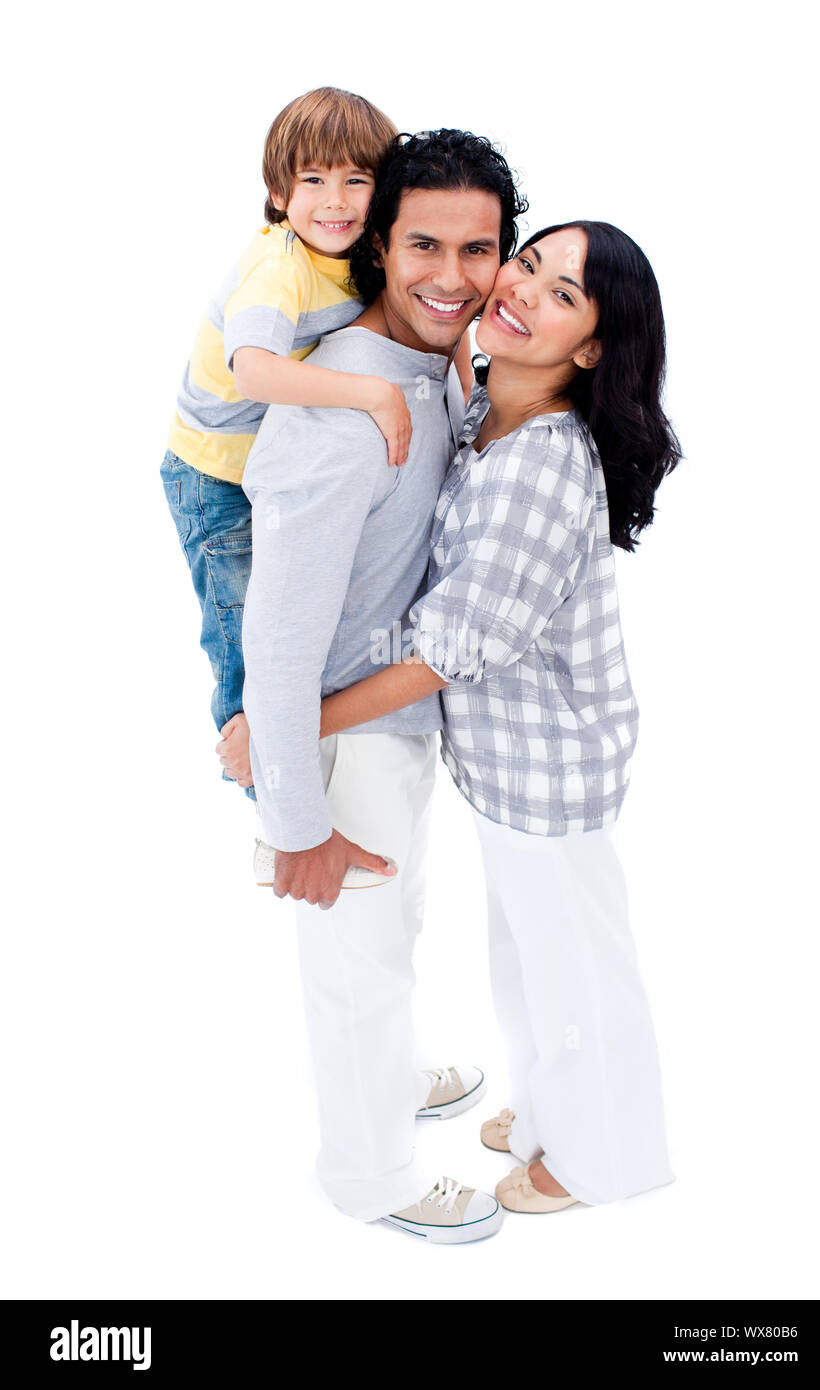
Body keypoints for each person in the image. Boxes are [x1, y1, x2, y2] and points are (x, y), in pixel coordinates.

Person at [313, 221, 682, 1215]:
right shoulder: (489, 408)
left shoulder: (540, 465)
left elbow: (448, 647)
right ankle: (545, 1113)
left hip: (550, 765)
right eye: (526, 263)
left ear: (592, 346)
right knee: (523, 954)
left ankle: (602, 1157)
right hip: (509, 762)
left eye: (561, 294)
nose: (519, 290)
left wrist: (307, 715)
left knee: (573, 971)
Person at [239, 131, 528, 1243]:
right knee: (353, 956)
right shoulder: (343, 407)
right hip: (337, 733)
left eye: (477, 248)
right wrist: (294, 820)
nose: (450, 277)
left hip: (392, 716)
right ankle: (370, 1175)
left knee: (392, 922)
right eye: (421, 244)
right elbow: (276, 630)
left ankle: (394, 1074)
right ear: (375, 242)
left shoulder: (426, 363)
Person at [160, 87, 407, 774]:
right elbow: (256, 374)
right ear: (278, 193)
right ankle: (270, 807)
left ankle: (294, 772)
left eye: (357, 180)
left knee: (294, 628)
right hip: (212, 475)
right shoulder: (280, 268)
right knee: (247, 640)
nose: (336, 200)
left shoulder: (359, 257)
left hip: (262, 465)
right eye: (314, 179)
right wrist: (373, 395)